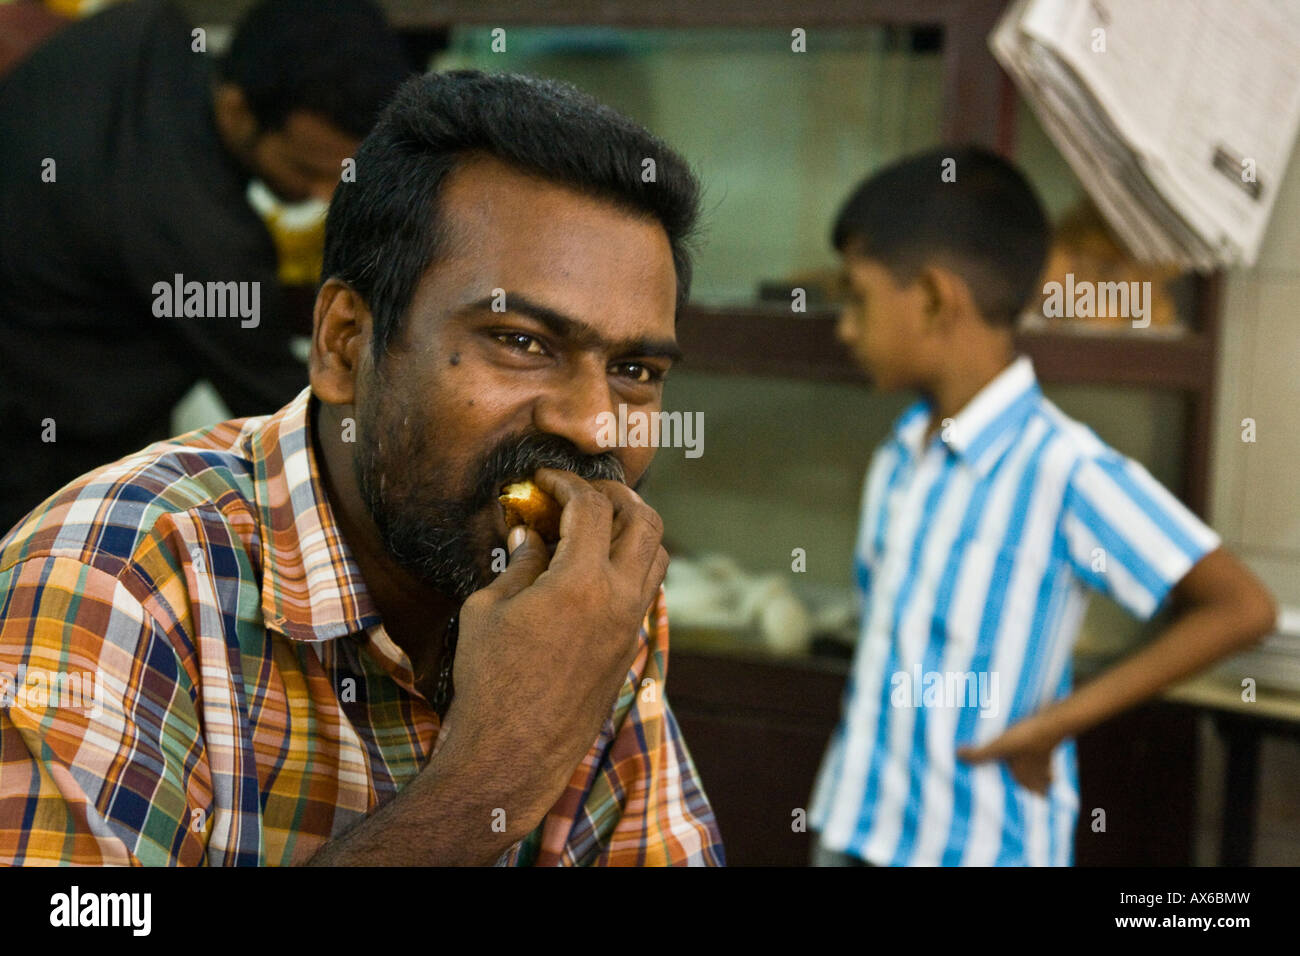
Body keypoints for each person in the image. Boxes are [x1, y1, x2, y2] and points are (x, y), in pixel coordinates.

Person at [0, 70, 724, 866]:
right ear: (346, 344)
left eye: (636, 371)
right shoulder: (115, 580)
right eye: (521, 342)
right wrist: (489, 780)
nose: (593, 425)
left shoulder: (588, 591)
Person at [808, 146, 1276, 866]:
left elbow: (1240, 608)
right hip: (854, 823)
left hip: (980, 849)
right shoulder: (901, 454)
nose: (843, 327)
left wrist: (1056, 723)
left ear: (935, 299)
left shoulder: (1064, 469)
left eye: (858, 298)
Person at [0, 0, 411, 533]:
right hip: (39, 432)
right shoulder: (203, 235)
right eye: (307, 171)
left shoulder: (145, 25)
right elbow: (295, 406)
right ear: (239, 111)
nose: (325, 195)